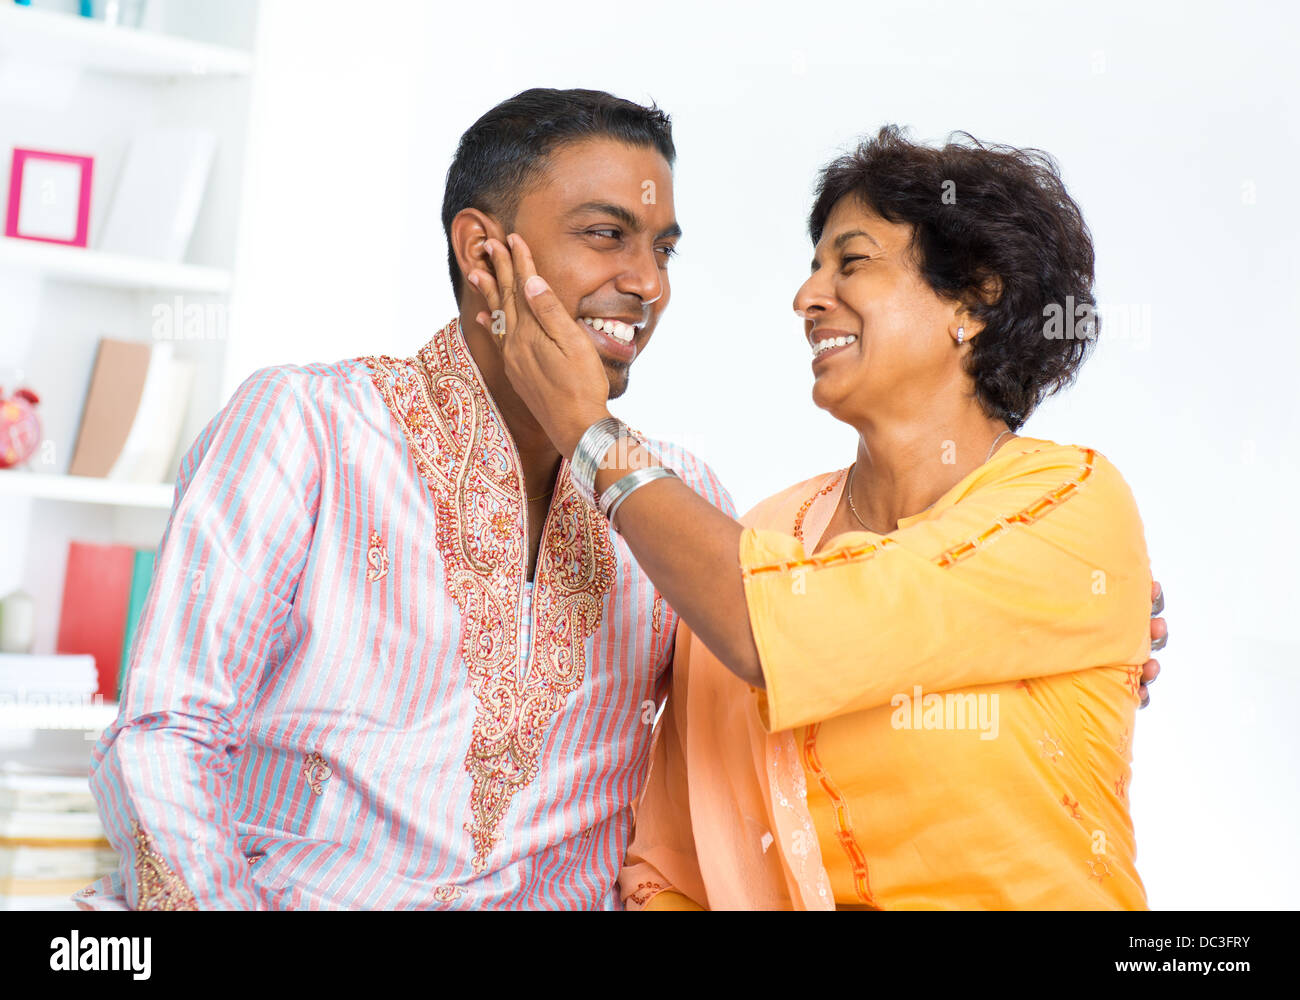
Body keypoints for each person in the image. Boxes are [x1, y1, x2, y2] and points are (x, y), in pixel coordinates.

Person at [468, 124, 1167, 909]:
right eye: (813, 267)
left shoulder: (1072, 502)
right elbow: (667, 865)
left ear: (974, 296)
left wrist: (590, 435)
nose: (807, 297)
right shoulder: (771, 530)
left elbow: (779, 630)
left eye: (853, 261)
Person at [77, 88, 736, 910]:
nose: (646, 283)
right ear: (481, 251)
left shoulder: (670, 498)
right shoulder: (309, 429)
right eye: (606, 235)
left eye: (663, 251)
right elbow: (164, 737)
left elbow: (760, 709)